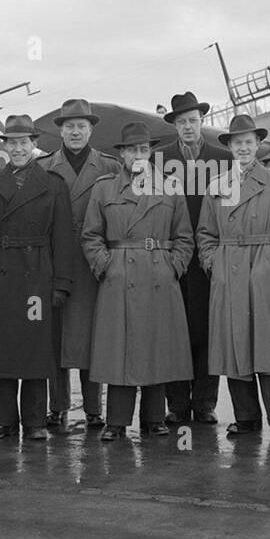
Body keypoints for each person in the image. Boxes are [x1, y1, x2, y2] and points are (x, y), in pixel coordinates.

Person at [0, 115, 81, 441]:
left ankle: (34, 421)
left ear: (33, 145)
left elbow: (62, 238)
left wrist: (60, 283)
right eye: (12, 143)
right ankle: (1, 420)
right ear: (4, 146)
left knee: (35, 350)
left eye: (23, 143)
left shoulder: (53, 185)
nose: (18, 149)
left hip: (37, 280)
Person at [81, 121, 195, 440]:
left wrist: (173, 266)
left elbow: (184, 236)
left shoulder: (170, 186)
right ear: (122, 155)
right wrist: (106, 265)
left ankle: (154, 418)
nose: (138, 154)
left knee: (155, 346)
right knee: (121, 348)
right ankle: (116, 421)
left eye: (144, 149)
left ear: (151, 152)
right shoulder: (105, 188)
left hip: (158, 273)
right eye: (132, 149)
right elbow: (91, 235)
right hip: (120, 275)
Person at [197, 113, 270, 441]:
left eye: (248, 142)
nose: (243, 147)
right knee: (235, 345)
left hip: (264, 269)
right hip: (229, 271)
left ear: (258, 144)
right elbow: (205, 233)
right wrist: (213, 262)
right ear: (229, 147)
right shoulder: (216, 187)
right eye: (237, 142)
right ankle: (245, 417)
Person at [38, 99, 121, 431]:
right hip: (55, 261)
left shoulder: (110, 167)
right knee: (54, 336)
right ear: (60, 130)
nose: (75, 131)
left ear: (91, 130)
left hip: (92, 262)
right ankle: (56, 406)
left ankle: (93, 408)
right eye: (69, 126)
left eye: (81, 126)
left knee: (91, 336)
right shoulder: (44, 167)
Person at [157, 91, 231, 425]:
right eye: (182, 121)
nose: (188, 126)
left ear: (202, 121)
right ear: (174, 125)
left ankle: (204, 402)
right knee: (174, 328)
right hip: (172, 255)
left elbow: (230, 209)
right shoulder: (159, 160)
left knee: (207, 328)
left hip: (209, 256)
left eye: (193, 120)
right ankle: (176, 403)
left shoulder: (223, 158)